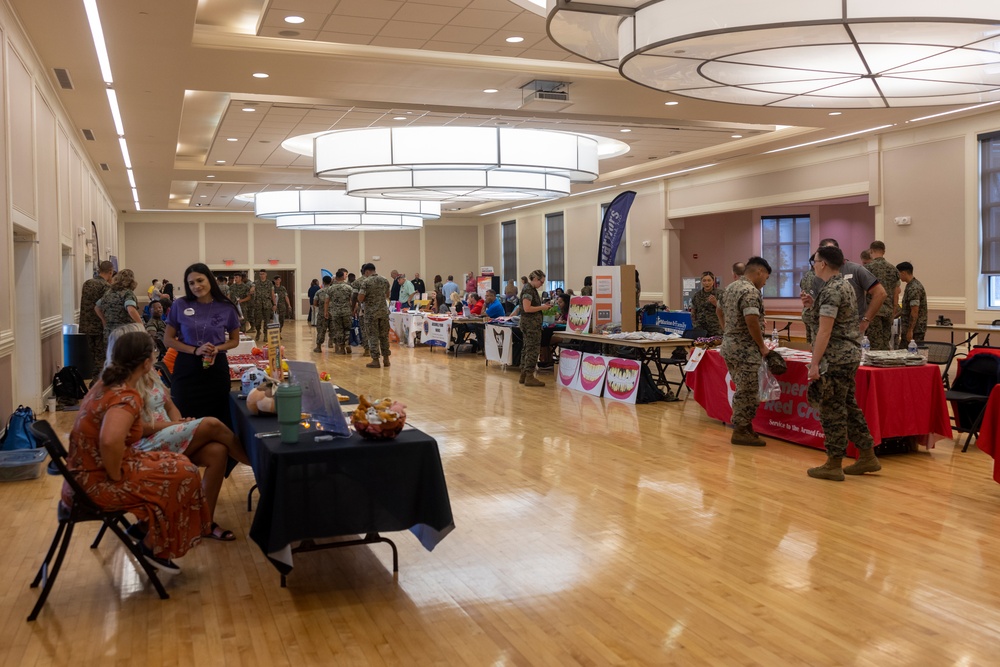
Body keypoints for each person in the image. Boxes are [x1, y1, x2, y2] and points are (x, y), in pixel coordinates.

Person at [66, 331, 210, 574]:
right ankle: (153, 545)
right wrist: (115, 477)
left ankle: (146, 528)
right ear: (146, 364)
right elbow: (110, 441)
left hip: (82, 477)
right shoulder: (125, 396)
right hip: (96, 484)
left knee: (178, 464)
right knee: (185, 473)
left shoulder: (105, 383)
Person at [107, 324, 249, 540]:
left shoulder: (148, 373)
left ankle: (205, 523)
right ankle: (255, 463)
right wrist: (176, 427)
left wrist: (179, 422)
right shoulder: (122, 385)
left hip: (166, 434)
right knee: (211, 424)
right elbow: (137, 429)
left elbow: (169, 404)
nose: (152, 351)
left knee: (217, 451)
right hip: (144, 446)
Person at [806, 245, 881, 481]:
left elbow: (824, 331)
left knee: (832, 410)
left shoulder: (831, 290)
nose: (814, 265)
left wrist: (814, 363)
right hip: (849, 354)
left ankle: (833, 463)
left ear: (823, 263)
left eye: (815, 261)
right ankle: (868, 455)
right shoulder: (844, 285)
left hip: (835, 358)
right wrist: (810, 306)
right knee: (848, 406)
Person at [163, 263, 242, 430]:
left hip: (215, 368)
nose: (196, 286)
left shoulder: (226, 306)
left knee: (218, 417)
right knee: (185, 417)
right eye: (191, 283)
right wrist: (194, 350)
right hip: (187, 369)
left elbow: (235, 340)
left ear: (210, 280)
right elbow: (168, 340)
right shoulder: (180, 305)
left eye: (200, 280)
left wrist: (218, 348)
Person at [716, 257, 772, 446]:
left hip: (730, 346)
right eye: (766, 278)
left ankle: (746, 426)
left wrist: (727, 331)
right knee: (748, 390)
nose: (765, 283)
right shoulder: (750, 291)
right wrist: (762, 346)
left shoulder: (730, 288)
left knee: (743, 387)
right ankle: (740, 430)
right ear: (760, 272)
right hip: (745, 350)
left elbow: (719, 311)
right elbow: (751, 320)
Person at [802, 238, 886, 338]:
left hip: (851, 331)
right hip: (826, 328)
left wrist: (866, 320)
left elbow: (880, 293)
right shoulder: (817, 276)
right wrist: (812, 304)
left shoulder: (855, 269)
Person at [79, 260, 114, 381]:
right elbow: (106, 307)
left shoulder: (87, 283)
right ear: (110, 272)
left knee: (91, 356)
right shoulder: (106, 287)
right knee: (101, 356)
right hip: (100, 326)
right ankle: (97, 383)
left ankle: (93, 382)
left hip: (85, 325)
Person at [864, 241, 901, 350]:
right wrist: (894, 309)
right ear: (884, 252)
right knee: (886, 343)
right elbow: (897, 291)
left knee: (875, 345)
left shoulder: (868, 268)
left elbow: (864, 291)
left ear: (871, 251)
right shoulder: (893, 269)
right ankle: (885, 365)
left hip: (873, 311)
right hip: (888, 311)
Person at [519, 269, 550, 387]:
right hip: (531, 325)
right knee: (532, 350)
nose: (542, 284)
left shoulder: (530, 289)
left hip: (529, 324)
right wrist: (542, 307)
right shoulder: (528, 290)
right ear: (535, 279)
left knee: (526, 349)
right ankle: (529, 376)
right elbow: (527, 308)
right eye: (541, 282)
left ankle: (524, 374)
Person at [357, 263, 391, 368]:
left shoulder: (366, 282)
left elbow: (361, 298)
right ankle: (386, 359)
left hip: (371, 313)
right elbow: (387, 295)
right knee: (384, 336)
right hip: (383, 312)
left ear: (367, 271)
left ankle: (375, 360)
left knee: (372, 336)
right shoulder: (385, 280)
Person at [96, 268, 144, 342]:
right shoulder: (127, 293)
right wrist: (141, 325)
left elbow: (97, 308)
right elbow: (131, 309)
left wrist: (104, 321)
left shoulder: (108, 292)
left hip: (109, 332)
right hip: (124, 332)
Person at [896, 261, 928, 346]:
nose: (898, 276)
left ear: (903, 273)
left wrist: (910, 330)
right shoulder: (910, 285)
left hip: (915, 330)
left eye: (898, 273)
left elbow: (914, 311)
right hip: (910, 328)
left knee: (911, 354)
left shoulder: (914, 288)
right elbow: (907, 309)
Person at [327, 269, 354, 355]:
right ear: (343, 277)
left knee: (338, 330)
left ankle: (341, 348)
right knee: (347, 329)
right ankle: (347, 344)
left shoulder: (331, 288)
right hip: (346, 311)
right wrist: (353, 310)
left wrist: (325, 311)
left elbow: (327, 301)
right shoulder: (348, 287)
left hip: (335, 312)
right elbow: (352, 300)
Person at [690, 271, 722, 337]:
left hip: (716, 329)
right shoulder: (697, 295)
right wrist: (695, 325)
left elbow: (726, 310)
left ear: (713, 281)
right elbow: (693, 312)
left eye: (709, 280)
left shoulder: (720, 294)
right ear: (701, 282)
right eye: (704, 281)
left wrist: (716, 303)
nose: (706, 283)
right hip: (701, 329)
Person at [249, 268, 275, 340]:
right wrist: (252, 289)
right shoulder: (256, 282)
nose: (262, 275)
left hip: (267, 304)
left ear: (266, 274)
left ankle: (266, 335)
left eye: (263, 274)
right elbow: (252, 288)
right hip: (258, 305)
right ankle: (258, 332)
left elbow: (272, 294)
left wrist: (275, 304)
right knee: (257, 320)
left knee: (267, 320)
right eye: (260, 274)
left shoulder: (270, 283)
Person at [313, 275, 333, 353]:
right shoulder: (333, 290)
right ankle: (333, 344)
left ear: (323, 282)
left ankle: (318, 347)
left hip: (322, 313)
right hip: (333, 313)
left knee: (321, 330)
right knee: (334, 329)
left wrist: (321, 306)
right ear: (331, 282)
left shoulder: (319, 292)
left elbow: (314, 303)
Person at [799, 255, 817, 344]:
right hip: (815, 313)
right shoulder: (817, 277)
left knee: (809, 342)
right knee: (816, 342)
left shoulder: (805, 276)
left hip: (806, 312)